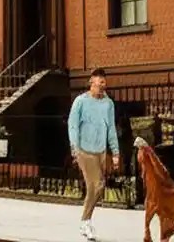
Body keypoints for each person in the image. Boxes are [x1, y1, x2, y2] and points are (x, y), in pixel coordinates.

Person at [69, 68, 120, 241]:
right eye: (99, 83)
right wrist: (74, 148)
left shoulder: (108, 104)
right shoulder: (80, 102)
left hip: (100, 150)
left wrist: (115, 152)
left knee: (97, 187)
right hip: (84, 149)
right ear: (91, 82)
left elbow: (111, 128)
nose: (102, 87)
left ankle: (86, 221)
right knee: (97, 185)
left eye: (104, 83)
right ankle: (85, 221)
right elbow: (73, 125)